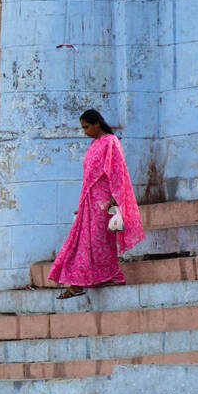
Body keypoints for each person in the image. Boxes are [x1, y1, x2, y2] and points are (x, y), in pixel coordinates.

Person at [46, 109, 144, 299]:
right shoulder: (93, 145)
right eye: (83, 128)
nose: (85, 132)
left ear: (97, 123)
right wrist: (83, 203)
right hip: (89, 202)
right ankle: (78, 283)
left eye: (87, 127)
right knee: (83, 242)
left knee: (101, 241)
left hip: (105, 201)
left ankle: (112, 276)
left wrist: (115, 199)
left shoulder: (110, 142)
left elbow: (117, 171)